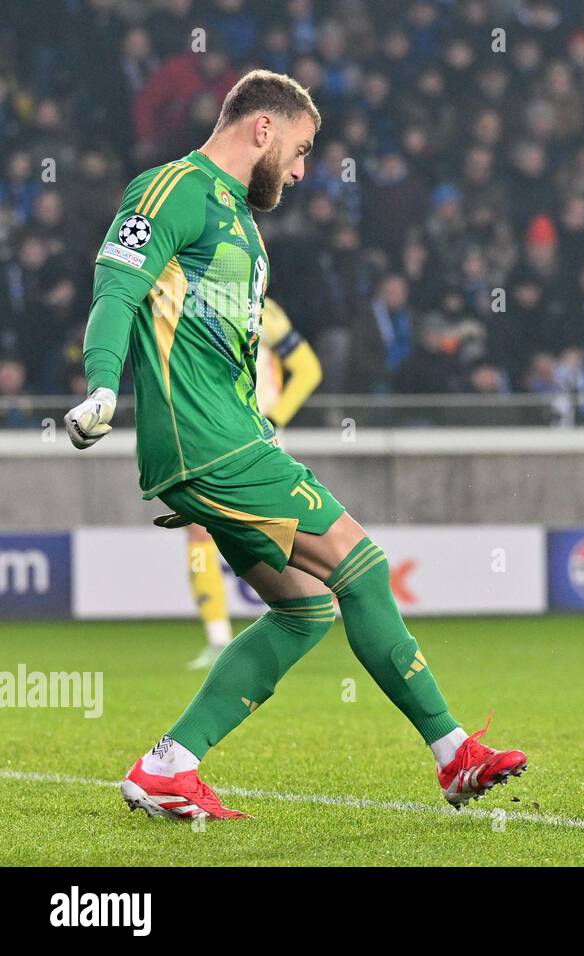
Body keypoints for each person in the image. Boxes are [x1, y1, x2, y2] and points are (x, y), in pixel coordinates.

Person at [65, 70, 526, 818]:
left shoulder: (240, 221)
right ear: (263, 129)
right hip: (211, 445)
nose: (306, 170)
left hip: (229, 438)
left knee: (305, 608)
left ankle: (166, 766)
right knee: (366, 571)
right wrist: (102, 387)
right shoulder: (173, 188)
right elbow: (116, 285)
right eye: (303, 149)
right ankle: (454, 756)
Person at [186, 295, 322, 670]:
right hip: (217, 435)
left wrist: (274, 418)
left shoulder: (262, 307)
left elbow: (308, 369)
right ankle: (217, 637)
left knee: (281, 532)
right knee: (200, 533)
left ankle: (310, 610)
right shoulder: (193, 302)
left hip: (257, 440)